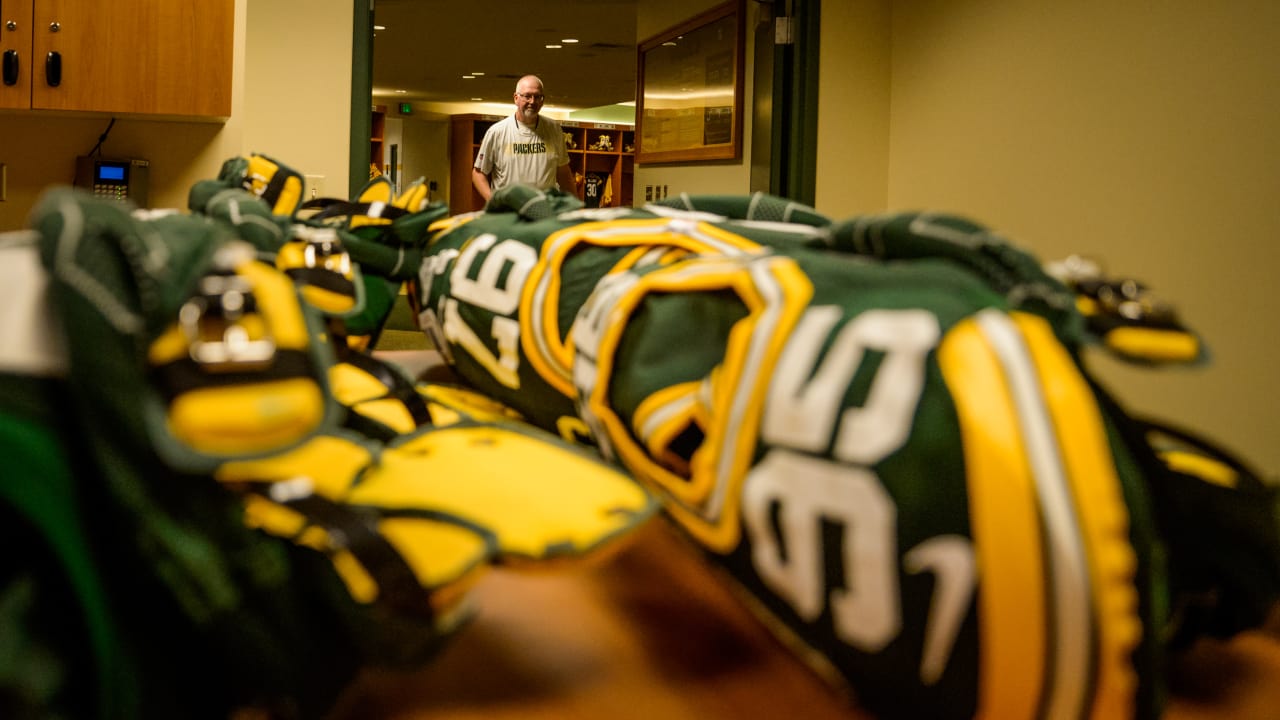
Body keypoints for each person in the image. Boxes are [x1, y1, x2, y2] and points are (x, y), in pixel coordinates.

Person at [471, 75, 576, 201]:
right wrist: (493, 201)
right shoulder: (497, 132)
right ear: (516, 98)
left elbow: (563, 172)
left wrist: (575, 207)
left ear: (542, 100)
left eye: (537, 97)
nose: (532, 101)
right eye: (527, 96)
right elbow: (478, 173)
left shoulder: (554, 130)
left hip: (544, 211)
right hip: (509, 213)